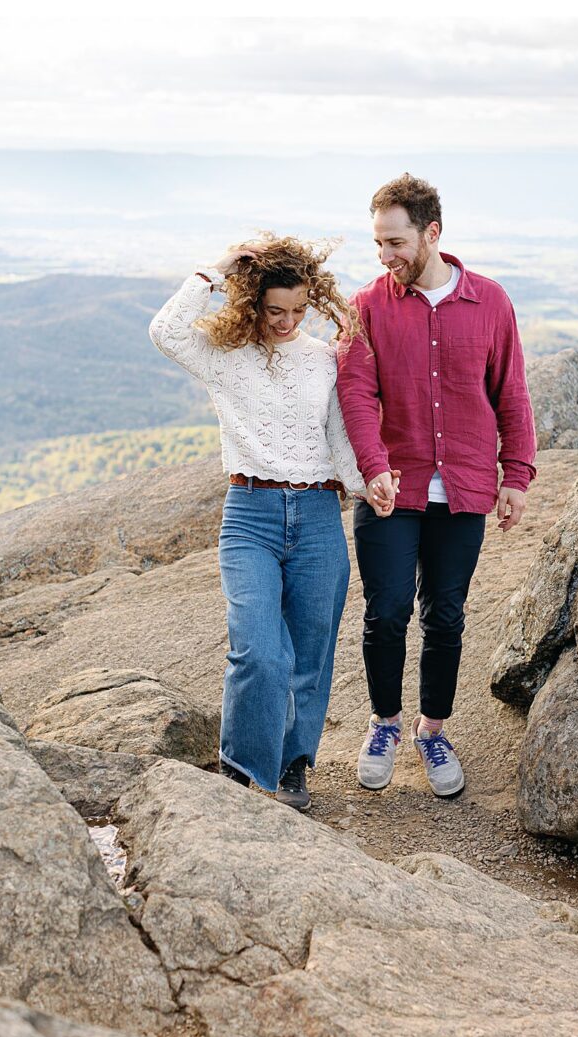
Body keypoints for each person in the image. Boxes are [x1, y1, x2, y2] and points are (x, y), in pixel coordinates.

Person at [149, 235, 390, 812]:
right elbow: (165, 331)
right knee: (259, 651)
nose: (286, 321)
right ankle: (240, 764)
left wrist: (368, 483)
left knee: (311, 652)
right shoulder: (222, 352)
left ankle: (291, 765)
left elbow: (336, 435)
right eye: (274, 310)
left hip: (316, 517)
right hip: (249, 515)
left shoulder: (322, 359)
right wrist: (217, 268)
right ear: (253, 301)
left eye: (297, 310)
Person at [336, 173, 536, 798]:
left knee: (445, 617)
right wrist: (373, 468)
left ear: (432, 233)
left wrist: (517, 475)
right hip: (391, 490)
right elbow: (355, 392)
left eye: (395, 243)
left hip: (466, 488)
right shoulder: (366, 305)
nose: (386, 257)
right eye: (378, 244)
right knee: (387, 612)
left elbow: (511, 391)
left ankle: (433, 730)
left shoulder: (491, 302)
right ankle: (385, 725)